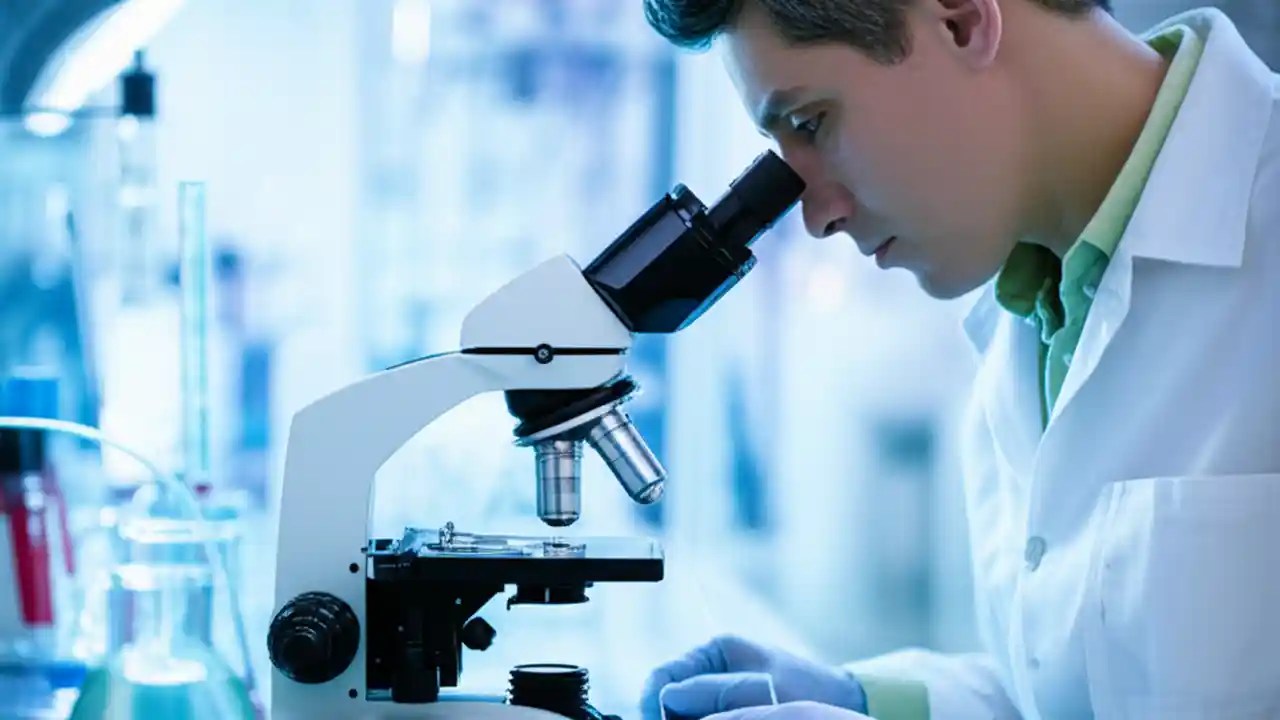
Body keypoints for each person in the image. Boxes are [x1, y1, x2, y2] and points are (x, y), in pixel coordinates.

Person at [637, 0, 1280, 718]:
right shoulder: (1034, 306)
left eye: (813, 123)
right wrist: (874, 703)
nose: (817, 217)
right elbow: (1078, 688)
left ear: (961, 22)